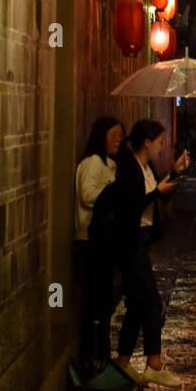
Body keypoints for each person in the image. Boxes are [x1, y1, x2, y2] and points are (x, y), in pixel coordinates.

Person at [109, 120, 188, 388]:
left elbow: (160, 199)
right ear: (147, 142)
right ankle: (154, 363)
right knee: (152, 303)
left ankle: (122, 360)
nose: (162, 146)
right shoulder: (130, 168)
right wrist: (156, 191)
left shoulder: (147, 167)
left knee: (137, 303)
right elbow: (129, 206)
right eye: (160, 142)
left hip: (141, 242)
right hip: (128, 244)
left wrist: (175, 174)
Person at [74, 116, 125, 366]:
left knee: (105, 298)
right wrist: (112, 191)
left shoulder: (110, 164)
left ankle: (101, 353)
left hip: (105, 239)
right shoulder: (93, 163)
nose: (118, 140)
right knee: (97, 297)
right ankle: (93, 354)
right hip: (90, 239)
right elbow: (87, 195)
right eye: (113, 135)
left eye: (120, 136)